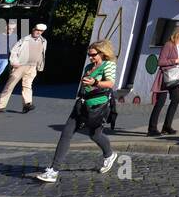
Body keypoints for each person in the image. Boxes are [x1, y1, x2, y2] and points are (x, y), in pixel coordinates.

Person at [35, 41, 118, 183]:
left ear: (103, 53)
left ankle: (109, 154)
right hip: (82, 104)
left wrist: (95, 83)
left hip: (98, 107)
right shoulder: (89, 67)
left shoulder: (108, 65)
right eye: (89, 55)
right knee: (67, 133)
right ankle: (54, 170)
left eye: (93, 55)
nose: (90, 57)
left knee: (95, 134)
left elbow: (110, 83)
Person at [0, 23, 48, 113]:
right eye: (37, 30)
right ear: (33, 29)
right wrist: (14, 62)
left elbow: (42, 54)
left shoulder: (43, 41)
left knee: (27, 86)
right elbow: (14, 50)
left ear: (43, 32)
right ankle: (1, 106)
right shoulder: (24, 40)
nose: (38, 32)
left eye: (41, 31)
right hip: (20, 66)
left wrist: (39, 66)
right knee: (10, 86)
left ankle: (27, 104)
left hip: (32, 67)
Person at [148, 24, 179, 136]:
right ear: (178, 33)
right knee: (160, 102)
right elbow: (161, 62)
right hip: (165, 77)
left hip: (176, 77)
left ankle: (167, 126)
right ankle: (152, 129)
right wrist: (175, 60)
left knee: (176, 99)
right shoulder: (168, 45)